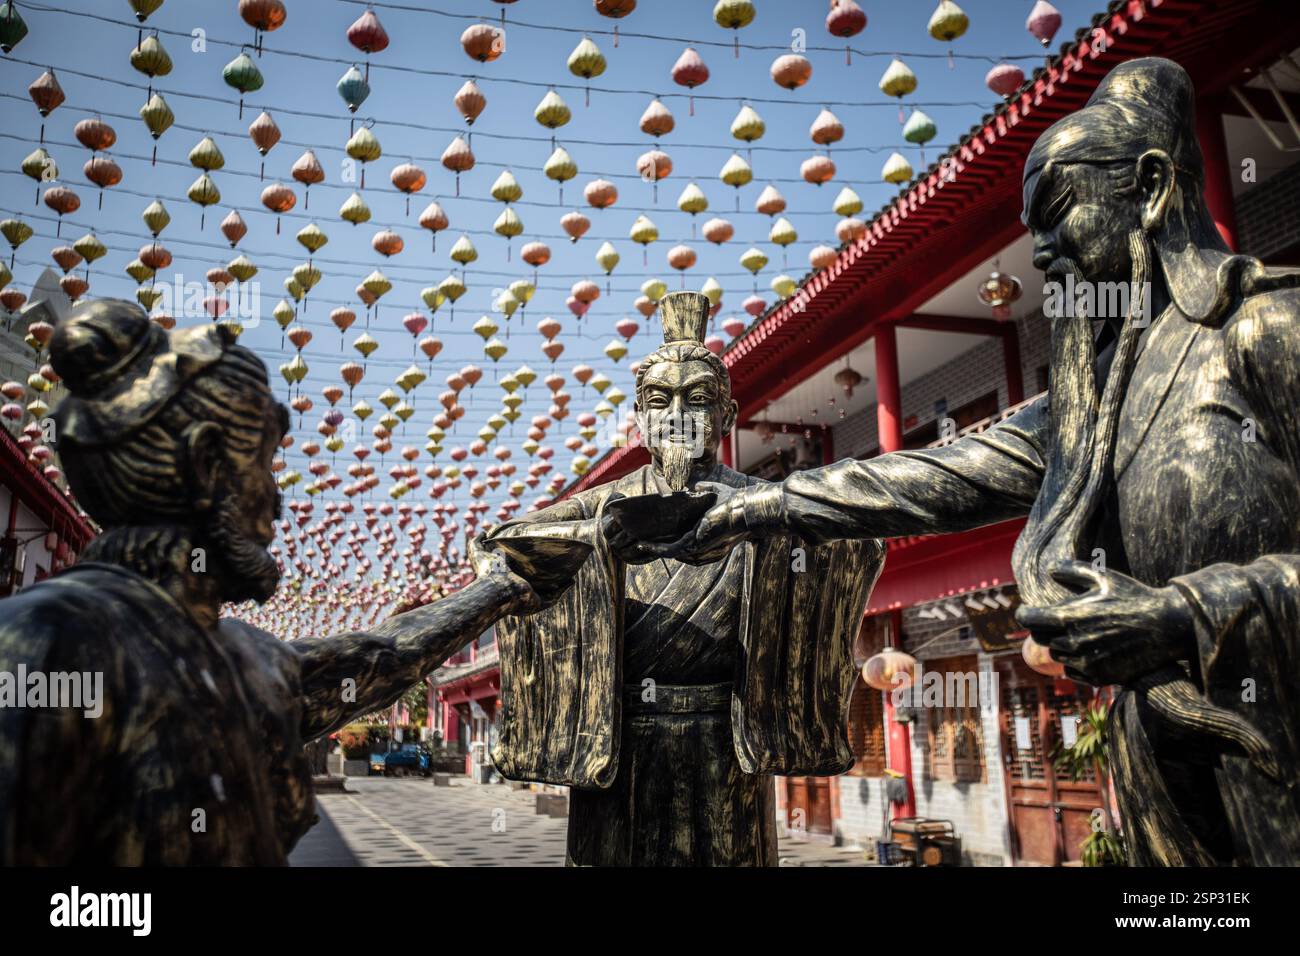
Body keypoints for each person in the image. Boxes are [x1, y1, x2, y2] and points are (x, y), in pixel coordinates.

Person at [651, 58, 1300, 866]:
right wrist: (767, 505)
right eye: (1034, 233)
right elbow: (931, 476)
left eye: (1061, 214)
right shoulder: (1088, 403)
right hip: (1163, 782)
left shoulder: (1266, 333)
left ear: (1152, 185)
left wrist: (1182, 617)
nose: (1046, 254)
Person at [0, 300, 582, 865]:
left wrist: (506, 587)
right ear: (205, 464)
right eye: (265, 463)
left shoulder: (242, 657)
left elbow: (382, 656)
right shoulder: (45, 642)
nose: (277, 502)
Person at [479, 291, 883, 866]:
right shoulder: (603, 504)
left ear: (727, 414)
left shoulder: (759, 503)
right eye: (659, 399)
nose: (677, 414)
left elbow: (858, 542)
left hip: (726, 743)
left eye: (697, 398)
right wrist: (598, 544)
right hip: (617, 745)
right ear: (640, 418)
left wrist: (765, 533)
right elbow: (502, 546)